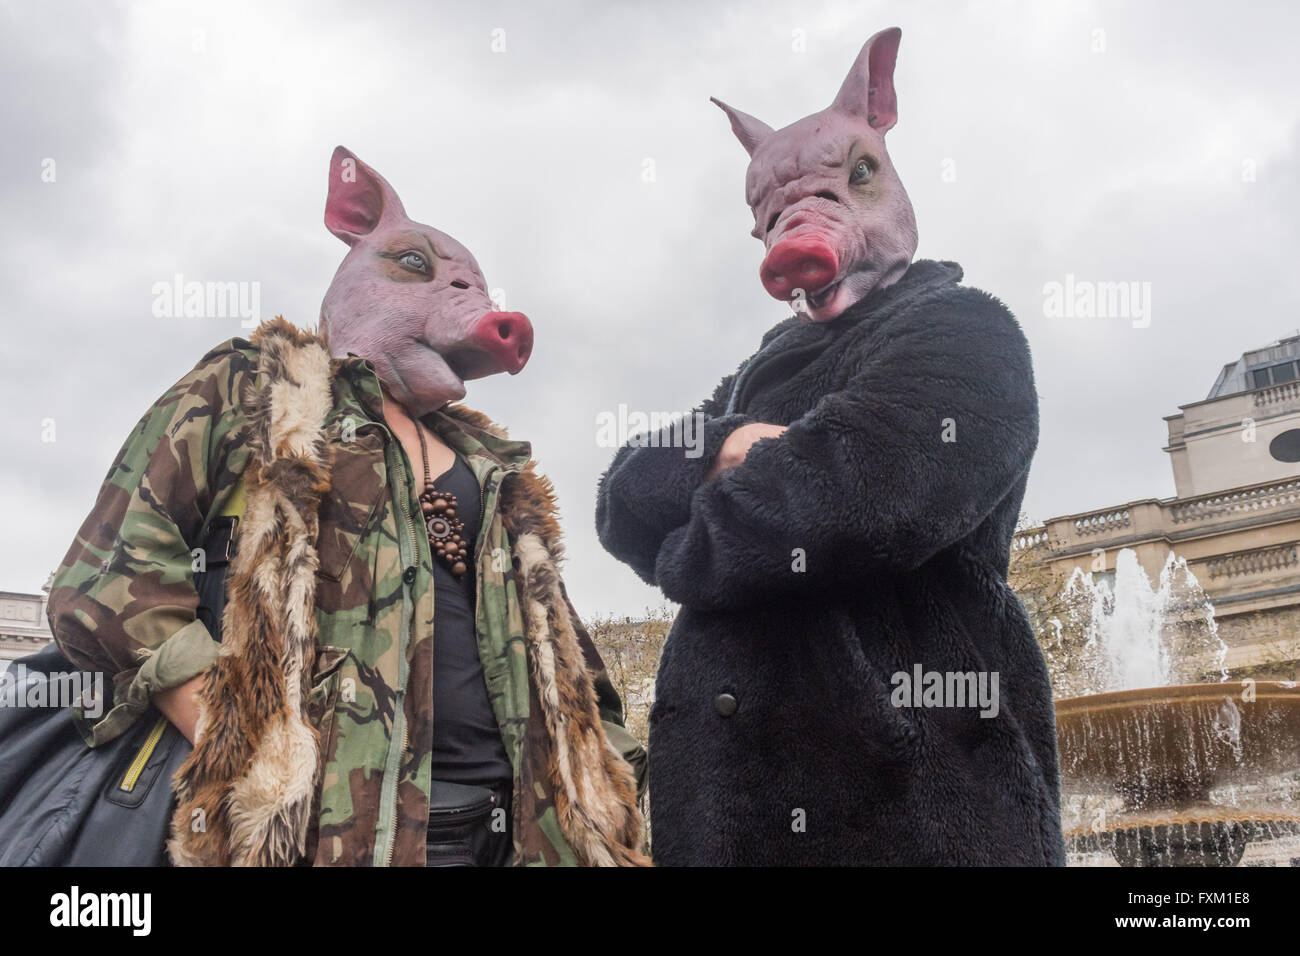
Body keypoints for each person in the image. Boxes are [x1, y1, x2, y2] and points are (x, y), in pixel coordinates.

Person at [46, 147, 647, 867]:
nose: (464, 297)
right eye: (418, 268)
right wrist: (240, 749)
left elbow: (572, 663)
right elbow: (108, 572)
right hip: (327, 841)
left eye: (472, 284)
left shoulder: (496, 469)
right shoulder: (260, 386)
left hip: (518, 839)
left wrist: (609, 780)